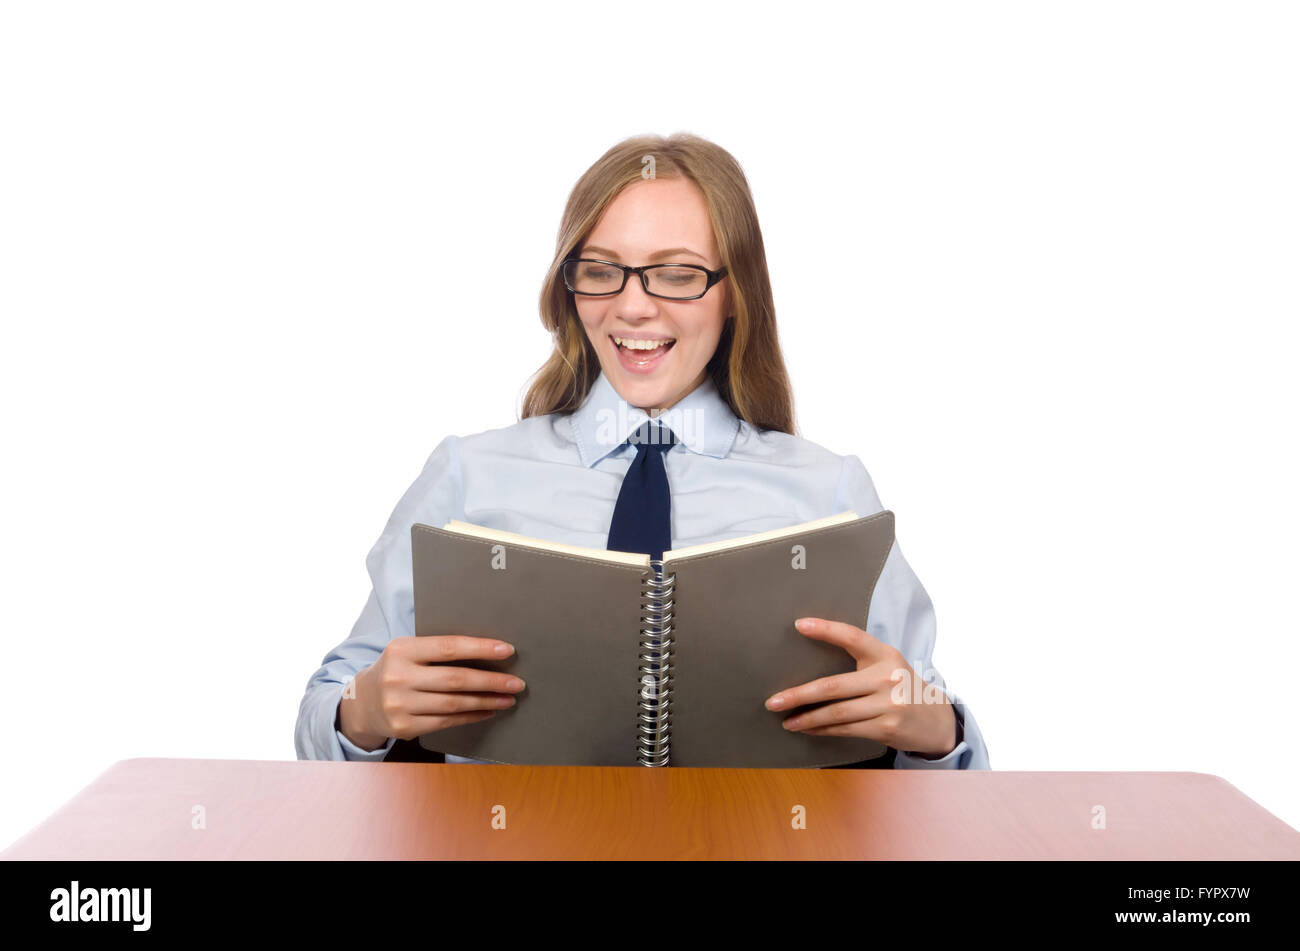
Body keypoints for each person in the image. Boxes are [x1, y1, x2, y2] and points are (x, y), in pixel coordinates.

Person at [295, 132, 990, 770]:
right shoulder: (466, 477)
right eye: (602, 271)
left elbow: (947, 761)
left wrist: (931, 727)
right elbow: (321, 727)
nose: (632, 307)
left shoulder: (831, 493)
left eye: (677, 274)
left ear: (734, 294)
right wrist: (366, 712)